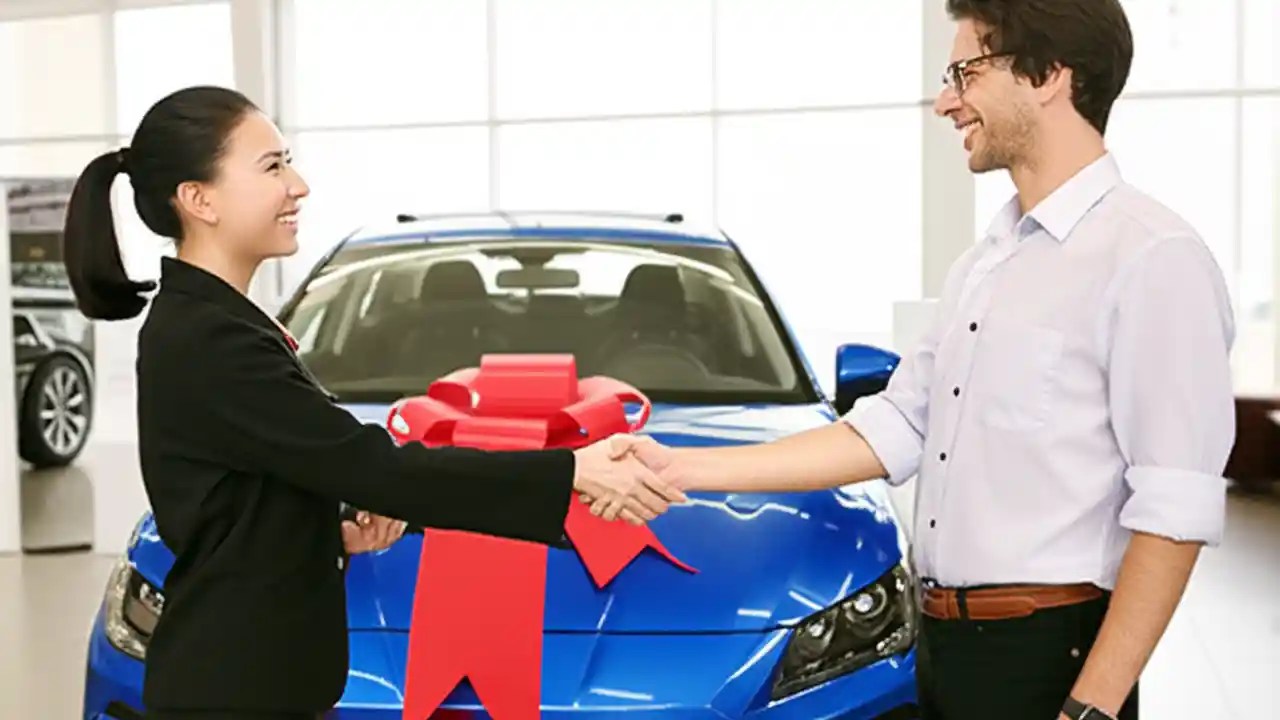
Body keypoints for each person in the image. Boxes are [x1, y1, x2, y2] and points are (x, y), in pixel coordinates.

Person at [604, 2, 1235, 719]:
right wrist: (678, 468)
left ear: (1049, 76)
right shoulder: (985, 265)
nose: (946, 102)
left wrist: (1091, 710)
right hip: (940, 649)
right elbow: (895, 427)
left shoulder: (1152, 258)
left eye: (966, 73)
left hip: (1049, 657)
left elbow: (1174, 511)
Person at [62, 85, 685, 720]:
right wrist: (572, 470)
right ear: (200, 200)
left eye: (288, 162)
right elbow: (369, 464)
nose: (298, 186)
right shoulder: (209, 338)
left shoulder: (217, 321)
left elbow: (248, 489)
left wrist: (325, 532)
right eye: (272, 167)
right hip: (234, 689)